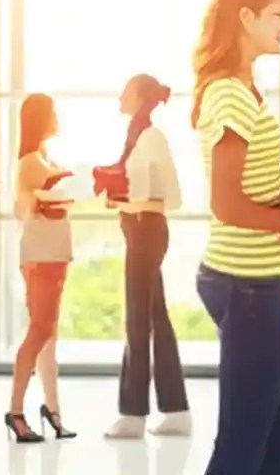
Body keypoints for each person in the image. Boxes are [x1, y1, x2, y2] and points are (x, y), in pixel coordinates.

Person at [191, 0, 280, 474]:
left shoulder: (245, 89)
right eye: (278, 14)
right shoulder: (229, 95)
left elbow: (257, 185)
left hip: (259, 282)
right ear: (245, 17)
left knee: (279, 449)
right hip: (244, 285)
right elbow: (226, 203)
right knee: (244, 446)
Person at [103, 74, 191, 440]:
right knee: (154, 317)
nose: (119, 97)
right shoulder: (136, 137)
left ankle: (133, 414)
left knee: (138, 319)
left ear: (139, 96)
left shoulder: (152, 138)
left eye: (125, 91)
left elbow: (172, 197)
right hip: (136, 228)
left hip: (147, 230)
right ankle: (176, 412)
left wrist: (129, 201)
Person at [5, 93, 76, 443]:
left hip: (54, 254)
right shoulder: (32, 162)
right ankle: (16, 411)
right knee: (40, 331)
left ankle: (53, 410)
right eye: (53, 111)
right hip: (41, 256)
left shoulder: (44, 158)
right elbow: (35, 205)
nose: (57, 117)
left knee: (48, 336)